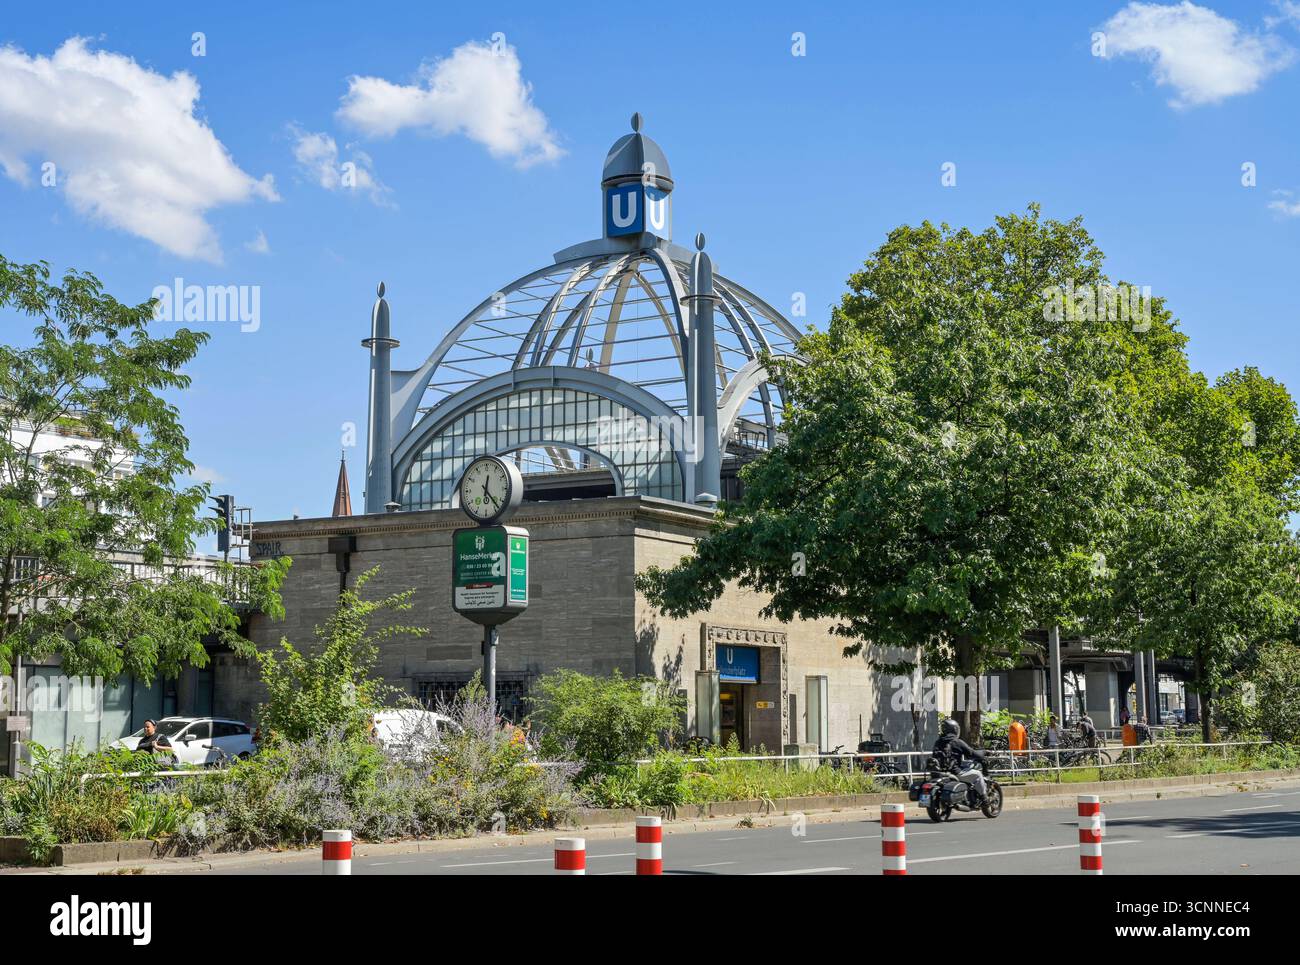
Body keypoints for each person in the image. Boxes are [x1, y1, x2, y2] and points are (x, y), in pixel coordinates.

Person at [933, 719, 988, 803]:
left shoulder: (938, 742)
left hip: (939, 772)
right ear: (955, 730)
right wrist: (983, 753)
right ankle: (984, 799)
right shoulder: (957, 742)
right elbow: (971, 753)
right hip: (955, 772)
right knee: (978, 774)